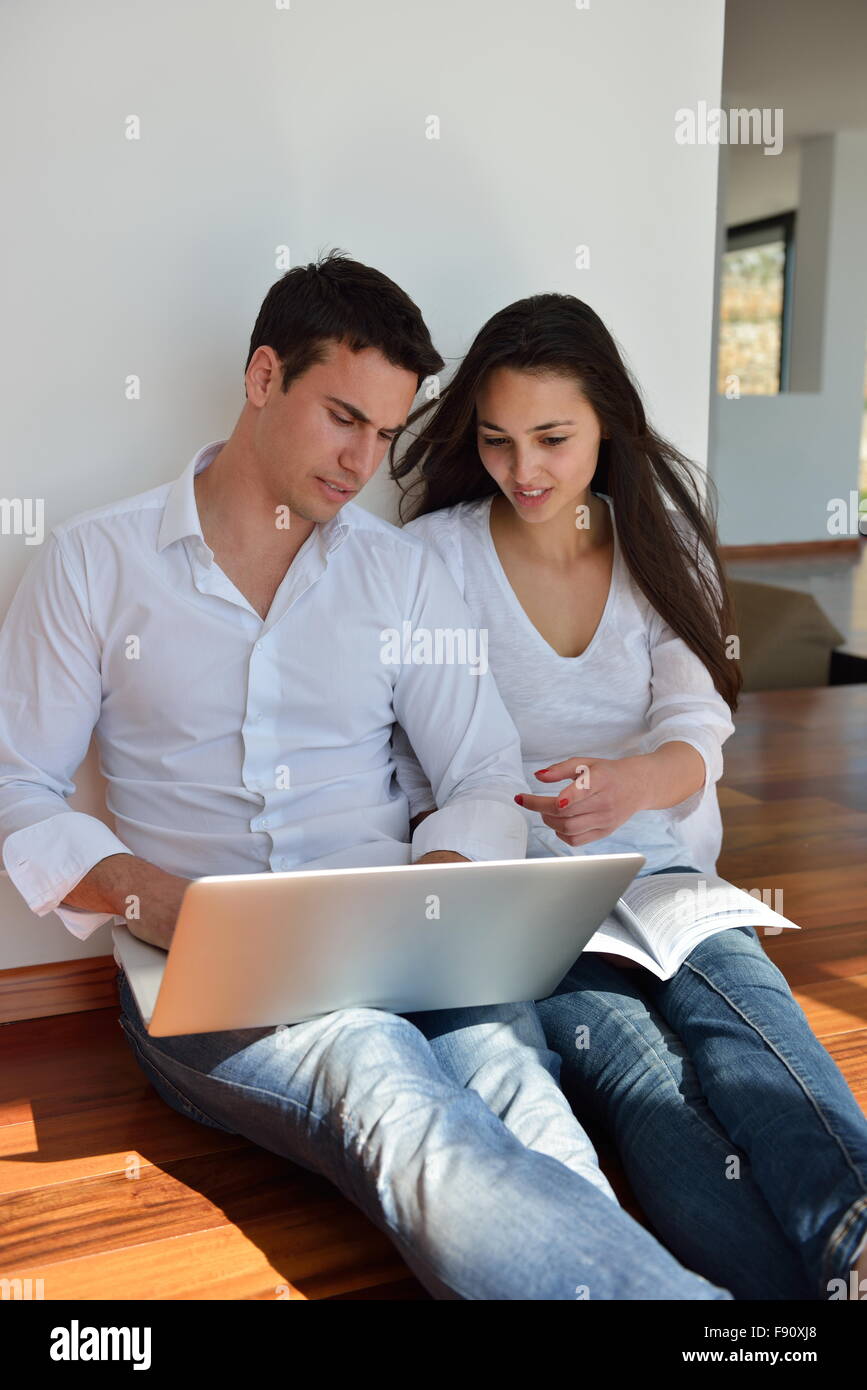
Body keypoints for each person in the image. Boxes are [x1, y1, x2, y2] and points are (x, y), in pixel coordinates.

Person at [0, 253, 731, 1301]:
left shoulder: (403, 576)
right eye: (344, 417)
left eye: (386, 435)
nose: (362, 462)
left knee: (525, 1093)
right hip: (208, 978)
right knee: (386, 1089)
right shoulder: (92, 565)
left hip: (403, 947)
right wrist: (162, 903)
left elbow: (481, 769)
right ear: (263, 378)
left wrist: (425, 892)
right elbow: (16, 786)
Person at [392, 290, 867, 1301]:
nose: (525, 470)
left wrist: (629, 788)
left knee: (749, 1021)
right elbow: (423, 751)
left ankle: (857, 1238)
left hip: (666, 873)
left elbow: (699, 726)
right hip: (529, 904)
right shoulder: (435, 559)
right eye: (497, 440)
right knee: (646, 1084)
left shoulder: (656, 540)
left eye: (553, 438)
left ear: (606, 421)